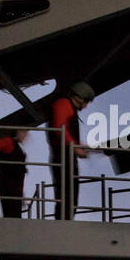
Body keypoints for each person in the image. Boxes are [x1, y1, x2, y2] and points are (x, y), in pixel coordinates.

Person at [47, 82, 94, 220]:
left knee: (70, 197)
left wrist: (79, 146)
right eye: (86, 102)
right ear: (79, 98)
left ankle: (64, 222)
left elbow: (64, 132)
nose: (85, 106)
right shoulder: (63, 104)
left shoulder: (66, 106)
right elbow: (59, 129)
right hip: (62, 158)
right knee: (67, 197)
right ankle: (63, 224)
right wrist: (76, 147)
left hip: (66, 157)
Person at [0, 128, 28, 216]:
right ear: (17, 132)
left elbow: (20, 173)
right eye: (23, 132)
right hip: (8, 183)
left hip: (15, 187)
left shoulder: (17, 147)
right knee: (10, 213)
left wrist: (22, 194)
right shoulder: (8, 142)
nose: (25, 135)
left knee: (14, 214)